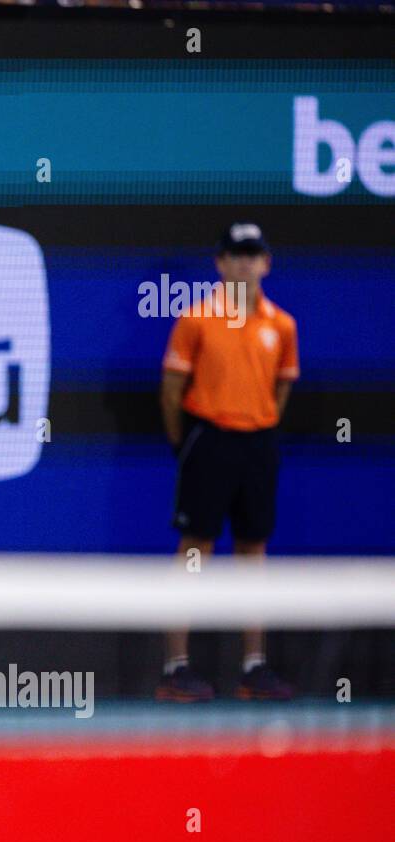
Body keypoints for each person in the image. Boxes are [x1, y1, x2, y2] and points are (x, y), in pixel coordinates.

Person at [157, 223, 298, 702]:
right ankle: (176, 668)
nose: (243, 263)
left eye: (252, 254)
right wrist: (189, 444)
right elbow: (172, 391)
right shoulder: (196, 319)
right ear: (219, 264)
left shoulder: (282, 325)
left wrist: (259, 425)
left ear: (266, 263)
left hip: (257, 445)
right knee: (195, 549)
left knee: (253, 550)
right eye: (234, 255)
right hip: (208, 441)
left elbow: (282, 386)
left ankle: (253, 667)